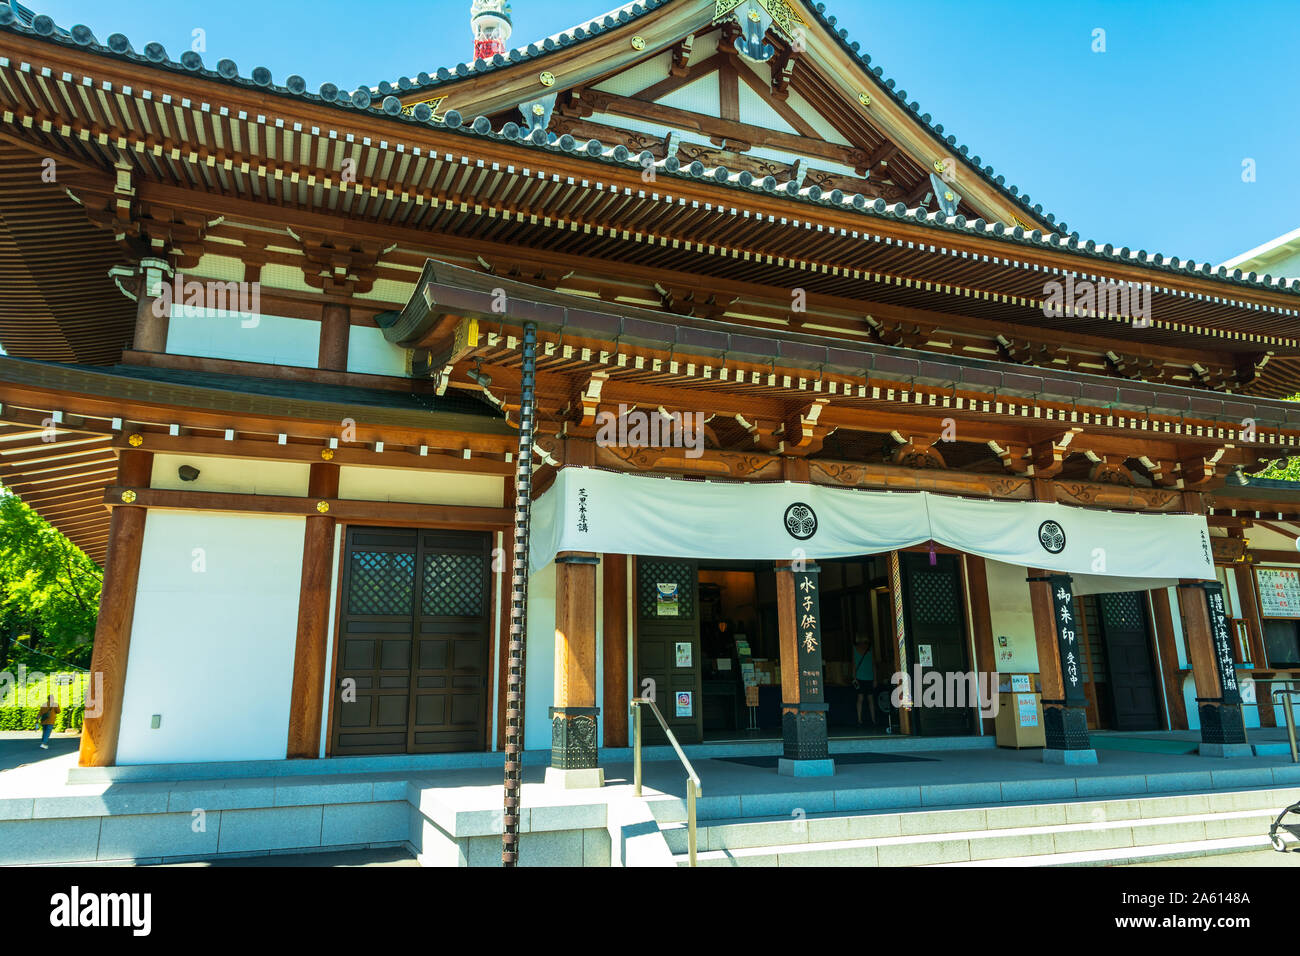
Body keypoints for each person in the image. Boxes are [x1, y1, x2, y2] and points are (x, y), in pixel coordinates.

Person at [852, 637, 878, 728]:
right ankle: (868, 720)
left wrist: (875, 679)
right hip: (864, 677)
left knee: (863, 699)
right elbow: (873, 665)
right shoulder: (868, 649)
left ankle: (866, 720)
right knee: (866, 699)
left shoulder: (867, 649)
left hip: (864, 677)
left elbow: (854, 665)